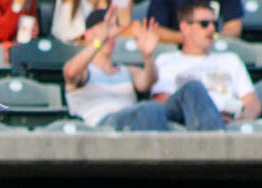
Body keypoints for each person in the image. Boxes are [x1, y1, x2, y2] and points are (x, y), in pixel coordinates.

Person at [63, 7, 224, 130]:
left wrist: (147, 57)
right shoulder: (85, 71)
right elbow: (71, 72)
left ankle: (216, 153)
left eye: (112, 29)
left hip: (137, 119)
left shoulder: (126, 71)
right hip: (102, 125)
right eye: (104, 28)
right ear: (88, 34)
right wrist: (98, 42)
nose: (110, 34)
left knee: (193, 89)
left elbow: (147, 81)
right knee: (149, 108)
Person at [151, 1, 262, 131]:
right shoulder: (167, 60)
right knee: (194, 89)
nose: (211, 29)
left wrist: (242, 118)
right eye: (204, 24)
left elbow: (252, 102)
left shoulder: (230, 59)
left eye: (214, 24)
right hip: (193, 125)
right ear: (185, 27)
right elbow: (164, 104)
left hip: (232, 121)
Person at [147, 0, 243, 44]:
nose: (211, 26)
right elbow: (155, 30)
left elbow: (234, 28)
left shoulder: (232, 61)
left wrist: (212, 36)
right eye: (204, 24)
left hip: (214, 49)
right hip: (174, 50)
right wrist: (194, 39)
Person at [51, 0, 134, 45]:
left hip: (110, 61)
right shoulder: (70, 2)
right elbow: (75, 41)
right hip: (69, 59)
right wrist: (99, 40)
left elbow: (126, 39)